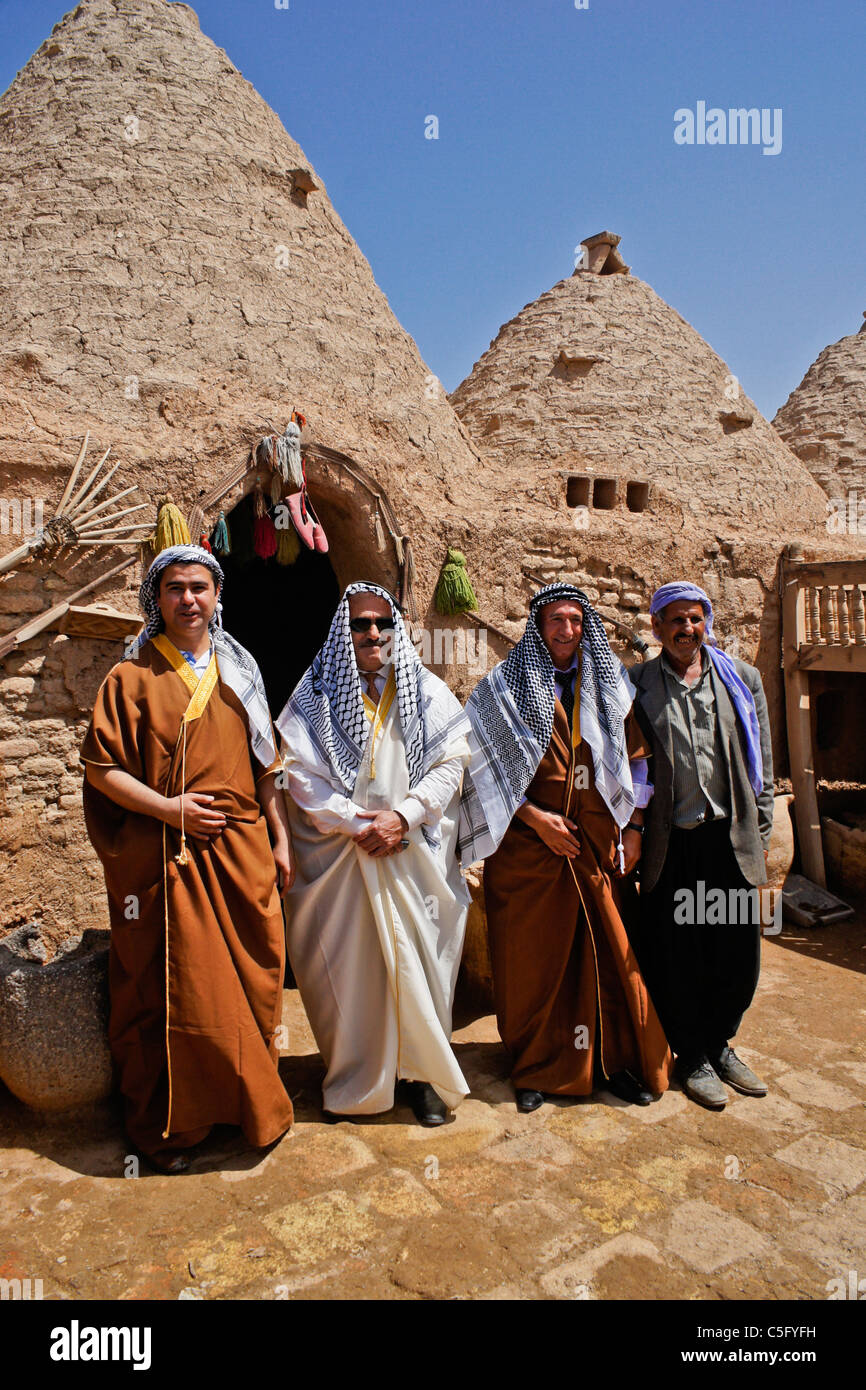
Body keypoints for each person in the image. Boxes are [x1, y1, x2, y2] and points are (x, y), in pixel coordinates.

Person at [81, 544, 294, 1173]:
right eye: (175, 589)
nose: (189, 600)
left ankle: (246, 1107)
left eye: (200, 588)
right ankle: (171, 1129)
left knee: (251, 980)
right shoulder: (131, 677)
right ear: (158, 598)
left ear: (218, 595)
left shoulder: (243, 670)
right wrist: (171, 812)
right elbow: (104, 773)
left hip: (240, 855)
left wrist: (279, 837)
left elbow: (266, 768)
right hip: (168, 858)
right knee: (172, 987)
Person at [459, 582, 672, 1113]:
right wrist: (535, 819)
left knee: (606, 956)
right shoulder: (502, 689)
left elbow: (636, 762)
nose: (567, 630)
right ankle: (536, 1067)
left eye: (576, 620)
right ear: (538, 625)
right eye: (556, 619)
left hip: (597, 848)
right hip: (528, 852)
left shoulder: (609, 684)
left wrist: (634, 827)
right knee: (534, 963)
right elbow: (478, 773)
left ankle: (612, 1063)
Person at [276, 583, 471, 1127]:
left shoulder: (427, 692)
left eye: (383, 624)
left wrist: (401, 818)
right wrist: (361, 824)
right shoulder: (313, 694)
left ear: (397, 628)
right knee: (353, 971)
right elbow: (300, 777)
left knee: (422, 963)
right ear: (345, 630)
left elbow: (452, 764)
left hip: (411, 856)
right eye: (360, 624)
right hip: (343, 861)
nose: (373, 634)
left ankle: (423, 1078)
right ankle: (359, 1080)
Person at [628, 581, 774, 1110]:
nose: (687, 629)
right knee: (676, 952)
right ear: (657, 628)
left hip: (727, 839)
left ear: (705, 623)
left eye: (695, 619)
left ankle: (721, 1043)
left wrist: (761, 827)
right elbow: (630, 764)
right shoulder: (636, 683)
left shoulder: (743, 679)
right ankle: (690, 1054)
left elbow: (763, 759)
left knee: (735, 954)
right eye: (675, 620)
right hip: (672, 843)